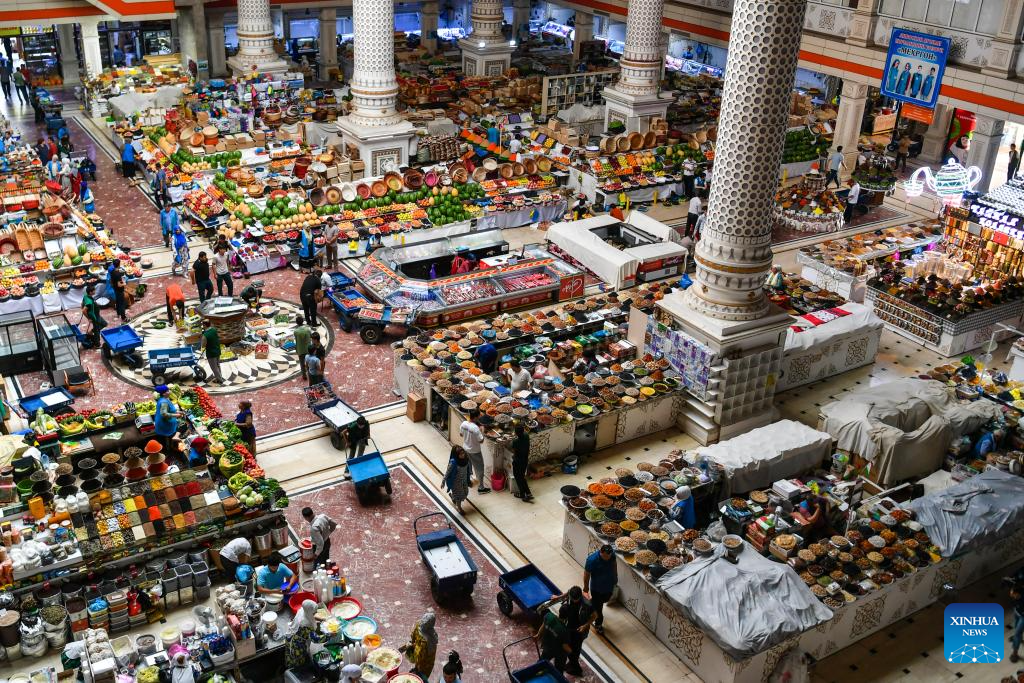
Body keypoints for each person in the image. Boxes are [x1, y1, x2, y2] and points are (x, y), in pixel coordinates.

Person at [558, 586, 596, 676]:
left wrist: (585, 625)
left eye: (576, 599)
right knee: (568, 646)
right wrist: (558, 597)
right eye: (572, 598)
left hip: (580, 630)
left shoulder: (587, 605)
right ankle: (572, 663)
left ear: (580, 597)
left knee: (575, 650)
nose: (573, 600)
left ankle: (576, 669)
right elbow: (568, 591)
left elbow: (595, 616)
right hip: (569, 627)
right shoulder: (572, 594)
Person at [584, 544, 617, 635]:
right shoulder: (592, 560)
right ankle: (598, 624)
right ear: (600, 552)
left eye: (609, 557)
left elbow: (614, 564)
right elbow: (587, 574)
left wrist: (615, 576)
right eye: (605, 557)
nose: (607, 559)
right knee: (599, 609)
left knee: (604, 600)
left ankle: (589, 606)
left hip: (608, 586)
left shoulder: (612, 555)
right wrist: (585, 588)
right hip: (596, 589)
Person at [284, 598, 327, 669]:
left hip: (290, 636)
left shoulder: (301, 610)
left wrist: (320, 619)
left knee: (290, 655)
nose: (315, 613)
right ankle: (294, 672)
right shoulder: (305, 624)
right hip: (296, 645)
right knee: (297, 660)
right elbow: (316, 639)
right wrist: (329, 635)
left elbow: (310, 616)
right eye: (314, 612)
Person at [400, 610, 439, 679]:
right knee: (422, 673)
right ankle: (418, 674)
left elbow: (420, 657)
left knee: (421, 674)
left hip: (425, 660)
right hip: (424, 659)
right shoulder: (432, 638)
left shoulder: (427, 639)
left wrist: (411, 646)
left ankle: (418, 675)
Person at [460, 412, 490, 495]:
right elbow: (481, 441)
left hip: (465, 449)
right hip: (475, 451)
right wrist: (482, 431)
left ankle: (468, 481)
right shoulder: (475, 428)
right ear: (476, 418)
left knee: (468, 466)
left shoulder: (463, 424)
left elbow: (461, 434)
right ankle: (481, 488)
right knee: (479, 468)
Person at [443, 446, 472, 514]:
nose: (462, 455)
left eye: (463, 453)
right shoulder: (453, 462)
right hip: (456, 482)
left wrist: (470, 475)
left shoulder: (466, 459)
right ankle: (459, 508)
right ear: (457, 454)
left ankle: (453, 497)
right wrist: (443, 481)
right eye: (460, 454)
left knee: (465, 493)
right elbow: (448, 472)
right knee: (460, 496)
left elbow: (468, 468)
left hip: (464, 480)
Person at [153, 385, 181, 454]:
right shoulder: (164, 402)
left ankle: (171, 446)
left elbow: (170, 410)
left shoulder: (165, 399)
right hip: (164, 424)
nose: (169, 392)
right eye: (168, 391)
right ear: (164, 393)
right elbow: (164, 414)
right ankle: (168, 451)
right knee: (165, 441)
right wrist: (176, 415)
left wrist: (178, 412)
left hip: (165, 422)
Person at [510, 423, 533, 502]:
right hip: (525, 460)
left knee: (518, 477)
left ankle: (522, 495)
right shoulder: (526, 436)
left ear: (516, 433)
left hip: (517, 461)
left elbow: (513, 450)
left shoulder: (515, 441)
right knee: (522, 476)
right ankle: (528, 493)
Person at [81, 283, 106, 347]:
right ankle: (97, 344)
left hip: (97, 315)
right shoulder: (89, 302)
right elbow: (84, 310)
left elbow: (82, 303)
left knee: (104, 324)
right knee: (97, 332)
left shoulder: (86, 295)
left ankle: (91, 331)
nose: (95, 291)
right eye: (94, 290)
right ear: (90, 292)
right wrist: (89, 318)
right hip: (94, 317)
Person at [200, 319, 225, 384]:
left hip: (211, 353)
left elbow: (203, 346)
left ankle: (220, 380)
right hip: (217, 350)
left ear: (205, 325)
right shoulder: (214, 330)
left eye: (203, 324)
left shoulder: (205, 335)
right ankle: (219, 377)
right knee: (218, 365)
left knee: (214, 368)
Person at [293, 315, 311, 380]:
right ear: (303, 321)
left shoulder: (296, 331)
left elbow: (296, 340)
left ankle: (304, 375)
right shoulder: (308, 329)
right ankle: (310, 374)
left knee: (302, 363)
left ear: (297, 323)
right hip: (308, 349)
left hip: (300, 349)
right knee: (309, 362)